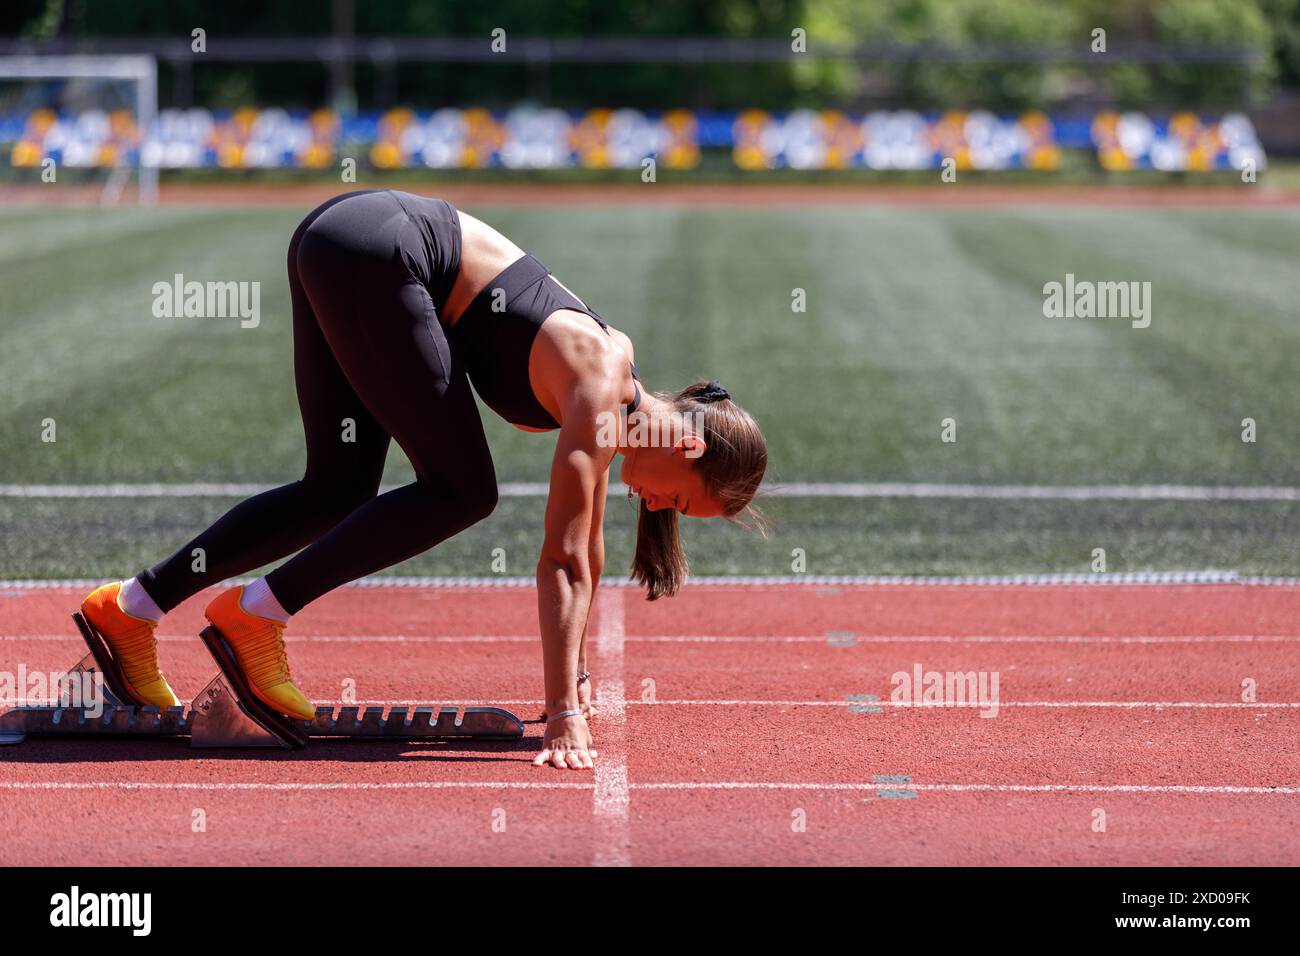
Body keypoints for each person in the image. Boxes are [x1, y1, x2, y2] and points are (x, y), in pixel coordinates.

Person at [78, 189, 767, 770]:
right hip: (375, 250)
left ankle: (131, 608)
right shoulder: (599, 382)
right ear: (687, 444)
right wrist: (562, 717)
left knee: (338, 487)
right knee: (463, 490)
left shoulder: (615, 388)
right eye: (675, 497)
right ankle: (253, 617)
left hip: (341, 239)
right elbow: (563, 560)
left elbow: (584, 552)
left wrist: (577, 679)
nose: (653, 504)